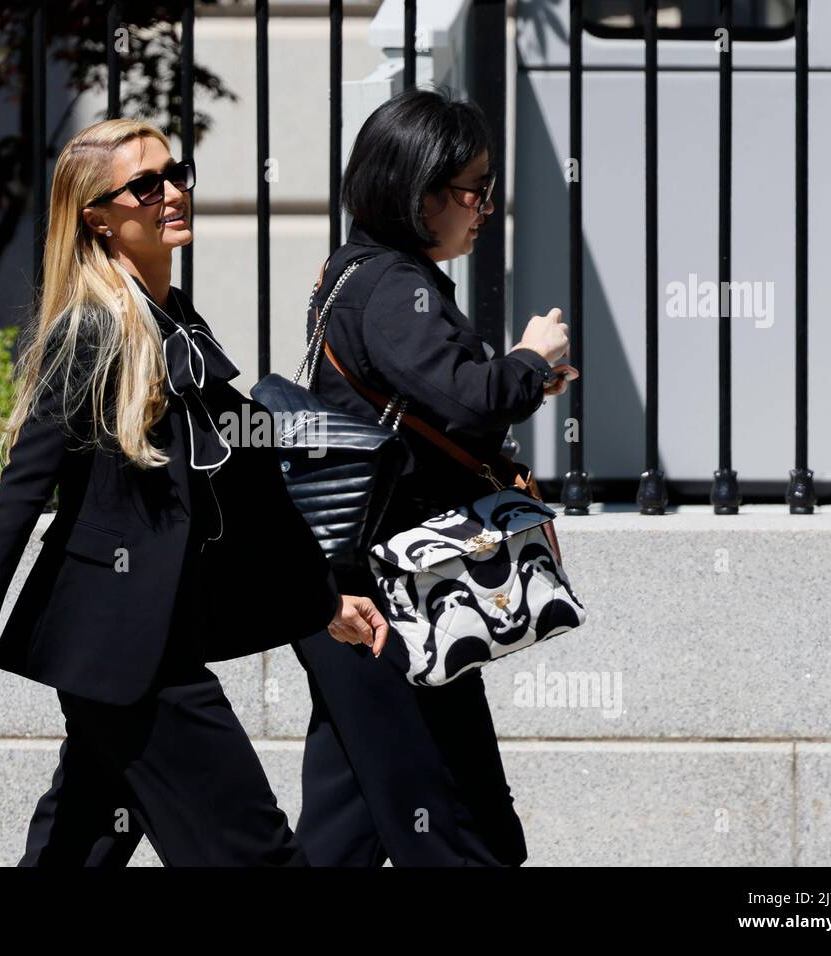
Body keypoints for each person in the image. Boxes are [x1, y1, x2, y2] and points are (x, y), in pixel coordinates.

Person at [0, 118, 388, 866]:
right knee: (256, 854)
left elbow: (250, 485)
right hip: (132, 658)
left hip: (139, 648)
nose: (173, 193)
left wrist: (322, 601)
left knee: (77, 850)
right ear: (98, 216)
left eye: (176, 174)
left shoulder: (176, 324)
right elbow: (19, 503)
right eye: (146, 185)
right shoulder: (90, 334)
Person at [290, 88, 578, 866]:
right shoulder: (393, 286)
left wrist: (514, 384)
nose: (484, 207)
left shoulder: (359, 274)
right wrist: (530, 357)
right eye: (473, 190)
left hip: (363, 584)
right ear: (416, 191)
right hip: (391, 593)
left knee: (346, 823)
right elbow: (468, 392)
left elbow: (426, 406)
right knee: (454, 820)